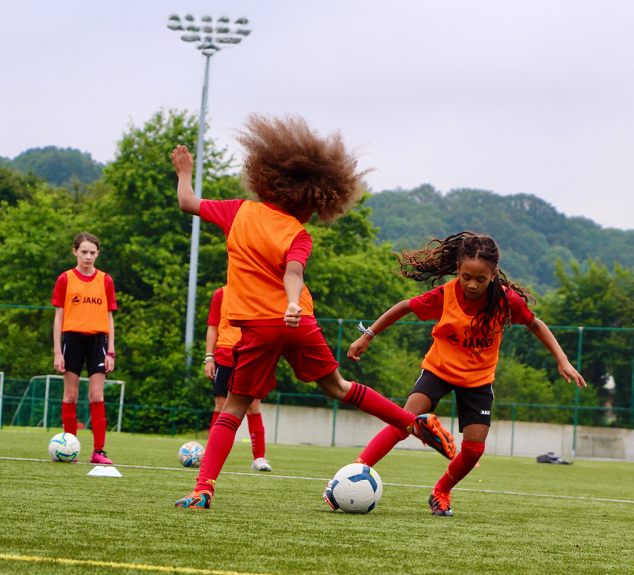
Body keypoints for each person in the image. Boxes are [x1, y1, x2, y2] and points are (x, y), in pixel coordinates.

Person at [170, 114, 455, 509]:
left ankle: (203, 488)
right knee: (339, 388)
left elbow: (186, 202)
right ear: (315, 199)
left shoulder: (239, 212)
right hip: (298, 322)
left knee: (233, 408)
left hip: (259, 329)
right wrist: (290, 302)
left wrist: (185, 171)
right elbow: (294, 270)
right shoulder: (298, 233)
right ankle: (414, 424)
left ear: (269, 179)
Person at [347, 231, 586, 516]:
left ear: (494, 274)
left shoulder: (506, 301)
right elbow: (403, 307)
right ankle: (354, 472)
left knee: (473, 450)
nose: (472, 285)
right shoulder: (445, 295)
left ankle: (441, 491)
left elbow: (536, 324)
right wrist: (368, 335)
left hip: (478, 381)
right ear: (458, 269)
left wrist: (563, 360)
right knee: (403, 423)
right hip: (439, 370)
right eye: (466, 277)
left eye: (481, 279)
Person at [51, 232, 117, 465]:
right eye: (84, 252)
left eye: (92, 252)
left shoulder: (105, 280)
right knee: (70, 395)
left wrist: (111, 351)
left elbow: (109, 318)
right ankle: (69, 446)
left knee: (96, 395)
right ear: (75, 252)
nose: (88, 256)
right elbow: (58, 317)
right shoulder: (65, 279)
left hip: (98, 341)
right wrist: (58, 351)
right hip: (73, 340)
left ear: (97, 254)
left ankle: (98, 451)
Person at [205, 285, 271, 472]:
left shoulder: (258, 291)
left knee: (254, 407)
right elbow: (213, 326)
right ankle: (211, 457)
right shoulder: (221, 293)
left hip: (251, 352)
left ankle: (259, 458)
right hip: (225, 354)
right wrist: (209, 357)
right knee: (220, 406)